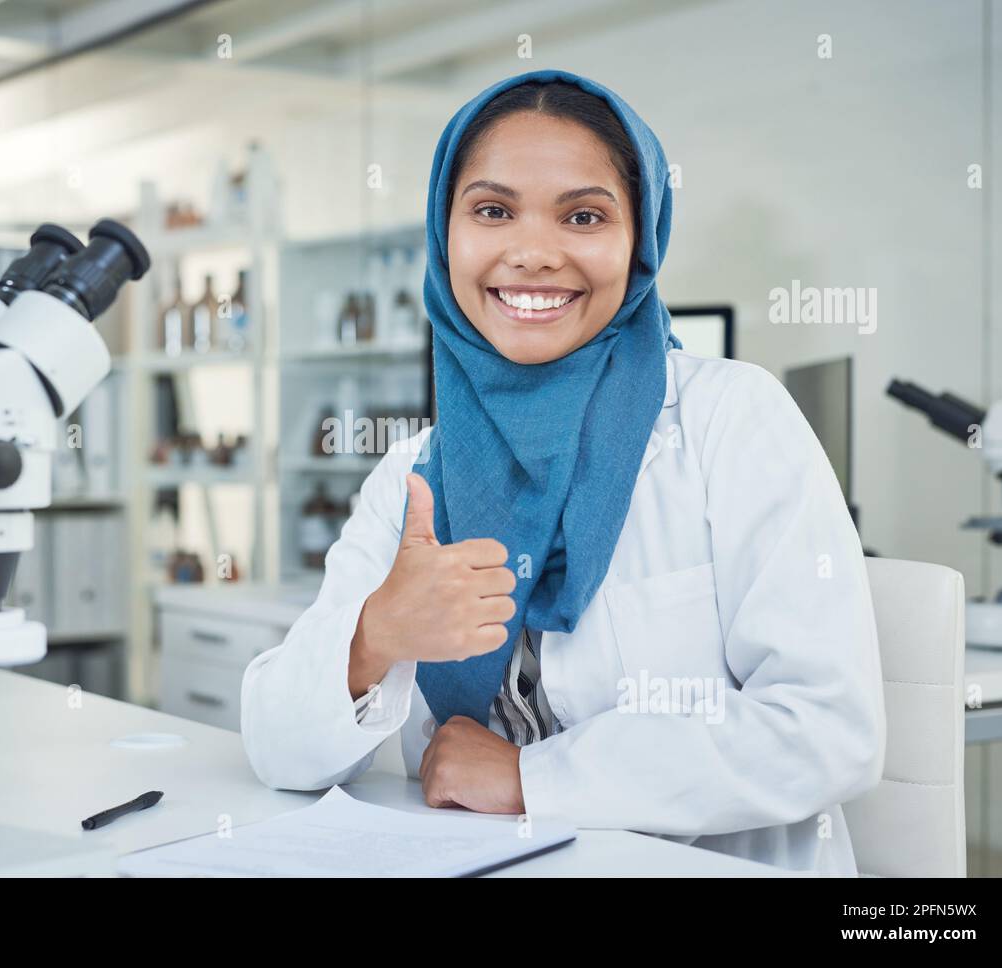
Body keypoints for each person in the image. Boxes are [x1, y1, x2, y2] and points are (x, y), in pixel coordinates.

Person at [240, 69, 885, 873]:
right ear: (446, 236)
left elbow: (828, 732)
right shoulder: (416, 472)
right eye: (491, 210)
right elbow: (275, 746)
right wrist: (373, 635)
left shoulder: (732, 419)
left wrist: (531, 777)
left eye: (583, 215)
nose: (533, 253)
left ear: (639, 242)